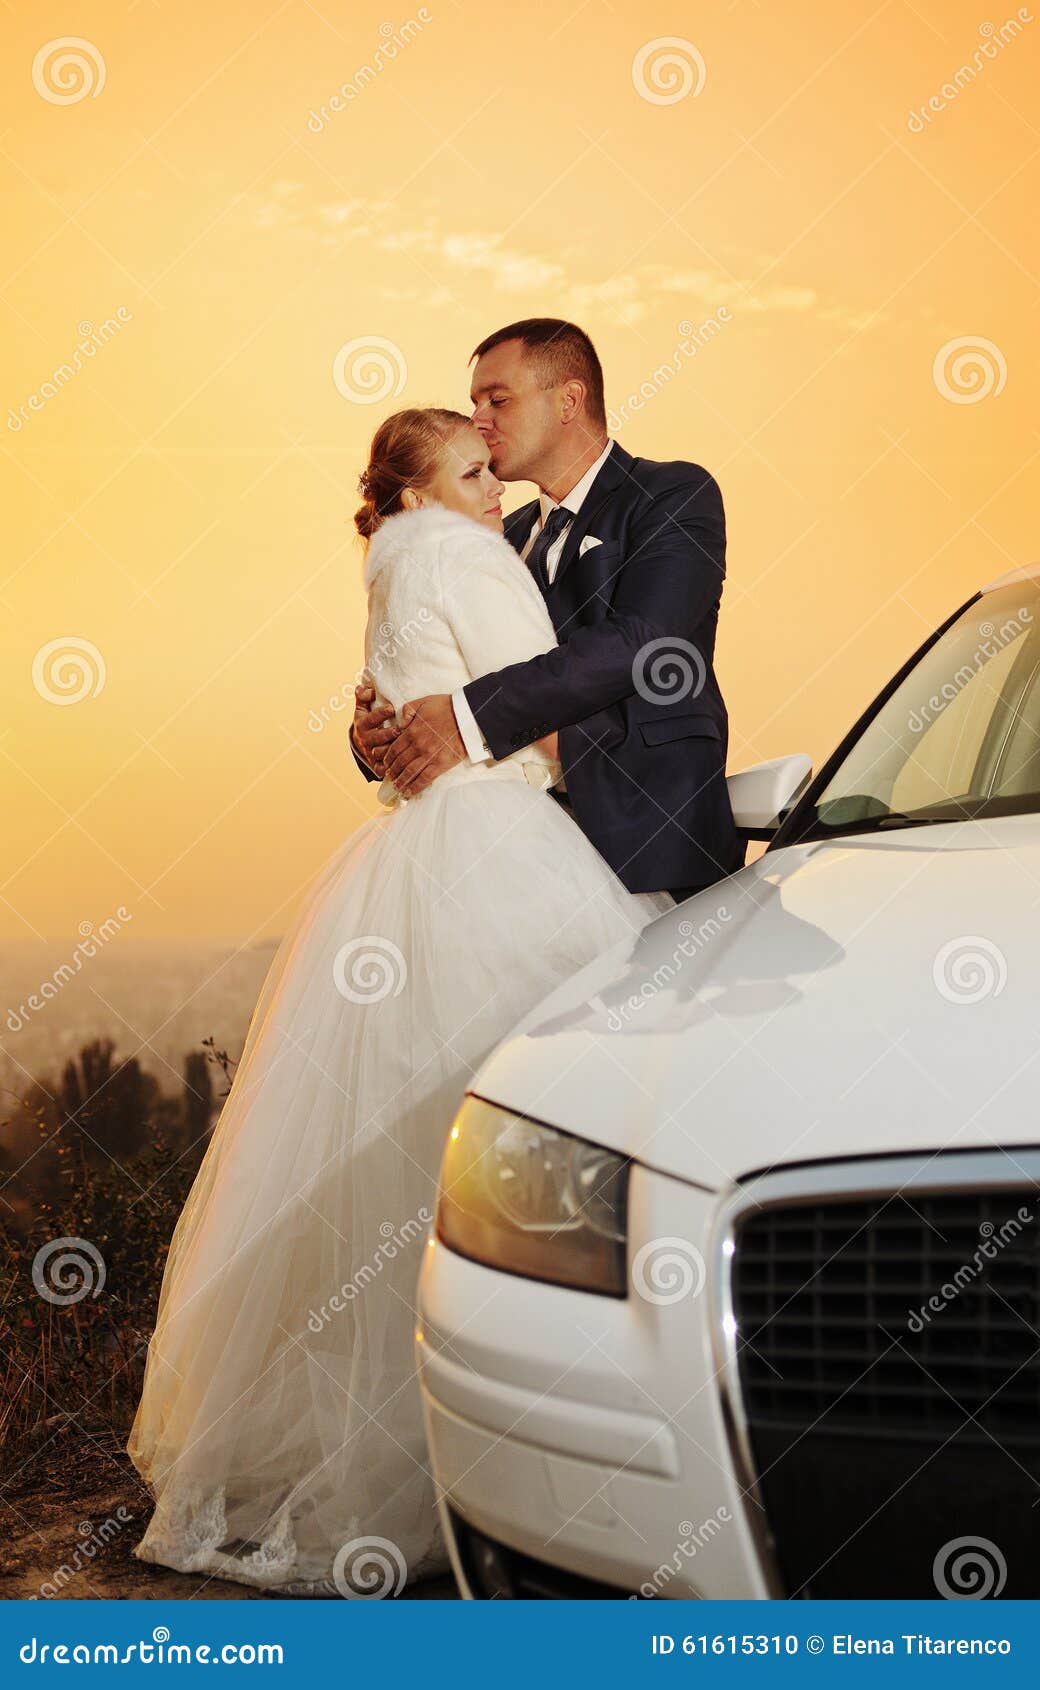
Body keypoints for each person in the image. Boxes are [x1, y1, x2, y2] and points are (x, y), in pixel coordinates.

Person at [126, 406, 669, 1596]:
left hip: (409, 849)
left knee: (395, 1160)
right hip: (497, 840)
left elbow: (398, 711)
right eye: (469, 470)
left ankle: (393, 1434)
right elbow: (544, 702)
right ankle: (552, 1436)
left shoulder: (388, 564)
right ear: (419, 493)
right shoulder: (470, 553)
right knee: (558, 1116)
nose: (492, 483)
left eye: (493, 459)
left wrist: (388, 737)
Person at [353, 318, 744, 903]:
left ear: (568, 399)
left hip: (648, 834)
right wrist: (382, 732)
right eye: (475, 402)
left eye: (498, 400)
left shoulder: (672, 495)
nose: (479, 420)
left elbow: (643, 639)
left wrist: (465, 720)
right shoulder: (489, 535)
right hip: (517, 861)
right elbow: (433, 656)